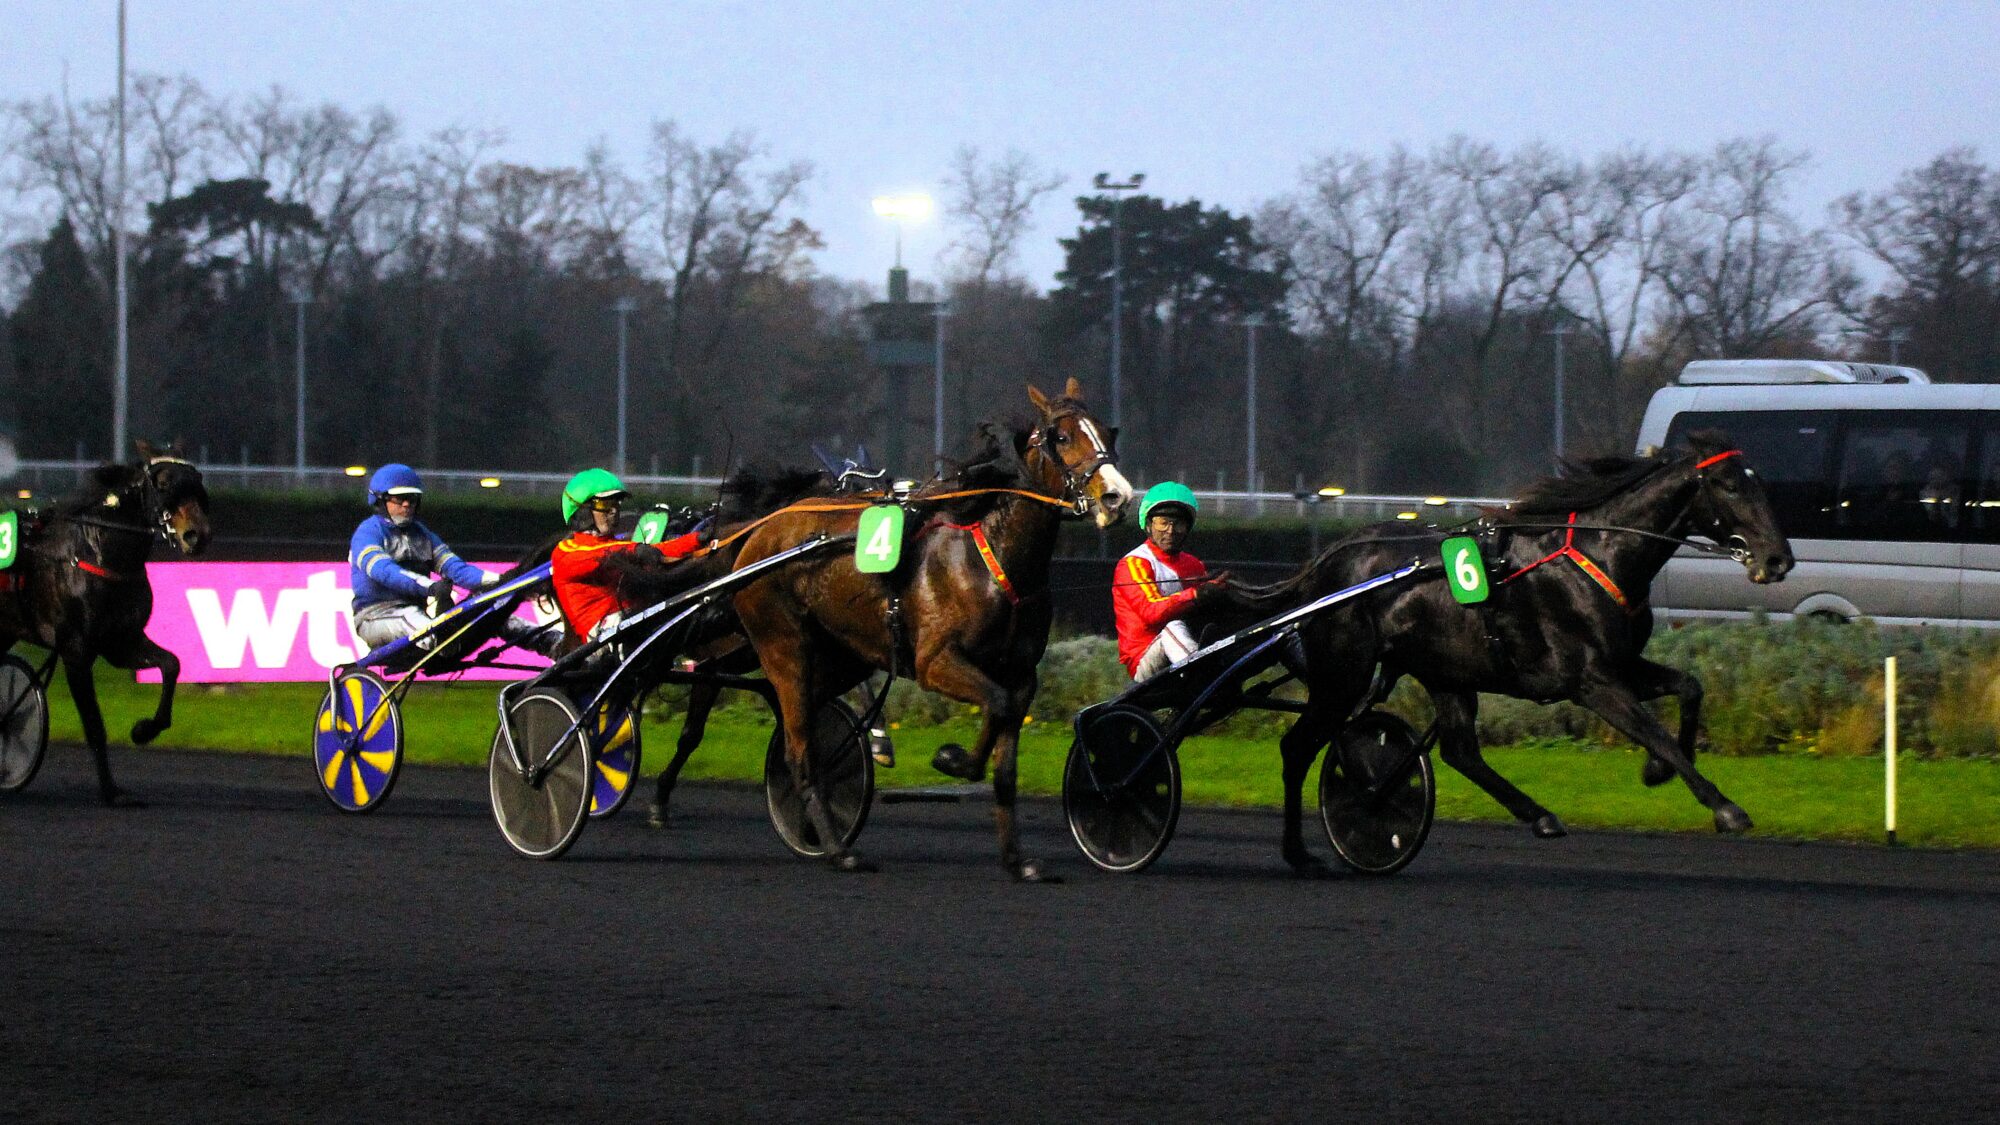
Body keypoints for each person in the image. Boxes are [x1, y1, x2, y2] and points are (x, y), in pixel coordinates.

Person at [348, 463, 543, 652]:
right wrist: (431, 587)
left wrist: (504, 581)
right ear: (380, 500)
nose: (407, 504)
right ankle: (443, 642)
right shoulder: (367, 534)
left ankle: (553, 642)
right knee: (423, 625)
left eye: (412, 498)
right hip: (375, 616)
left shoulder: (423, 535)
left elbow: (457, 569)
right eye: (399, 499)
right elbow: (386, 572)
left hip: (416, 613)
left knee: (493, 613)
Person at [550, 468, 708, 648]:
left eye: (617, 503)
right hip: (601, 641)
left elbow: (659, 550)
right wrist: (637, 551)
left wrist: (699, 539)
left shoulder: (614, 544)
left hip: (630, 623)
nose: (614, 511)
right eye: (604, 504)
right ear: (582, 512)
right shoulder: (566, 552)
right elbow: (603, 555)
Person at [1113, 482, 1227, 682]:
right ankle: (1200, 675)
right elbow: (1152, 613)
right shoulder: (1134, 564)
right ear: (1149, 525)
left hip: (1185, 648)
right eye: (1163, 522)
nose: (1171, 531)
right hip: (1144, 663)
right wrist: (1196, 594)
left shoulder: (1194, 565)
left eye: (1178, 523)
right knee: (1172, 628)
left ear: (1187, 528)